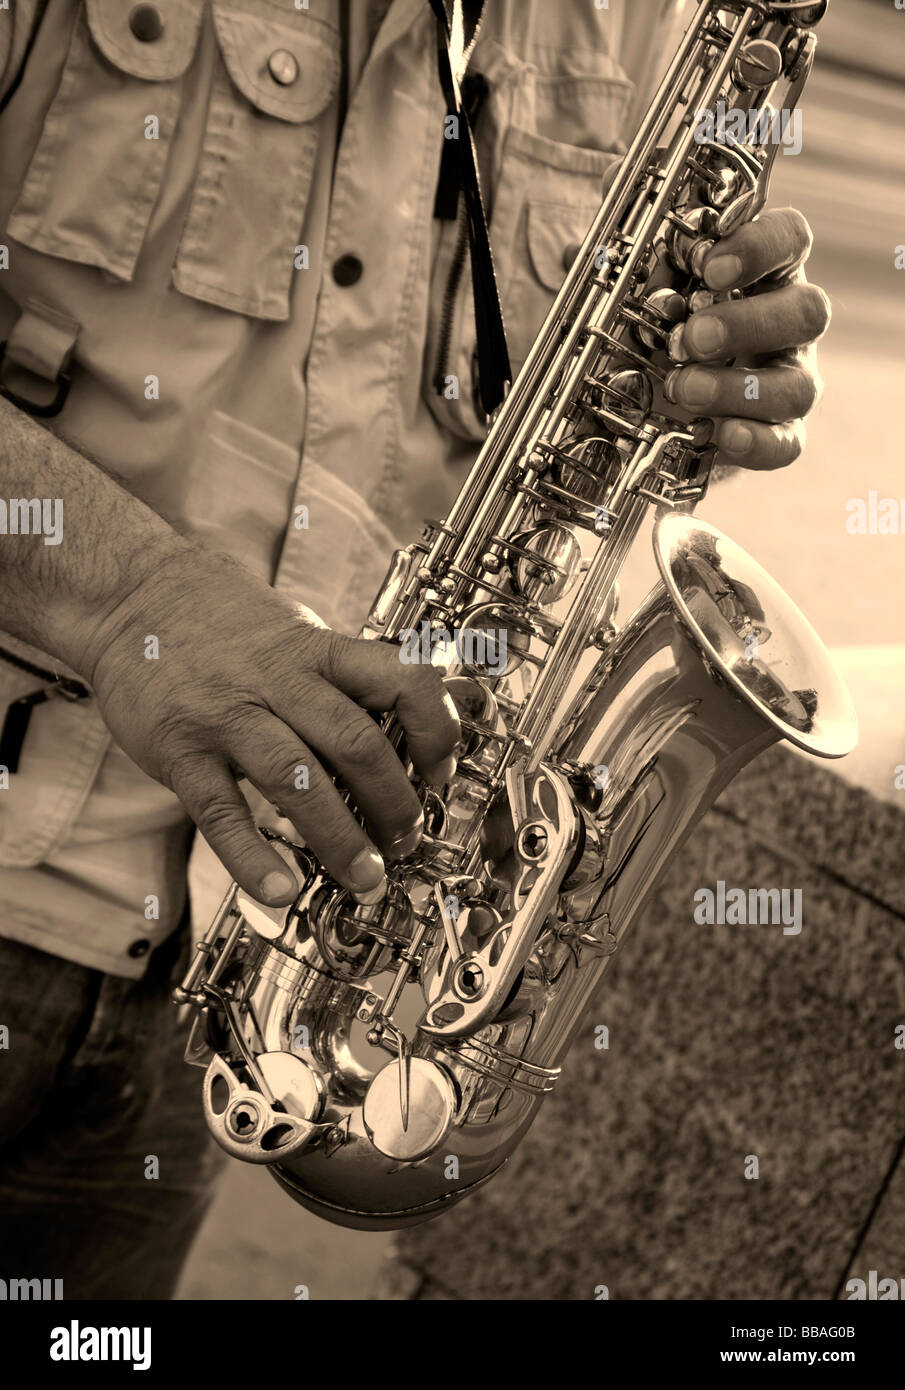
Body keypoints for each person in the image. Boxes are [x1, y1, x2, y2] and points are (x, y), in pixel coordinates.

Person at [0, 0, 831, 1298]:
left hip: (248, 972)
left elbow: (536, 462)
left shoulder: (678, 24)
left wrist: (687, 393)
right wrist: (129, 596)